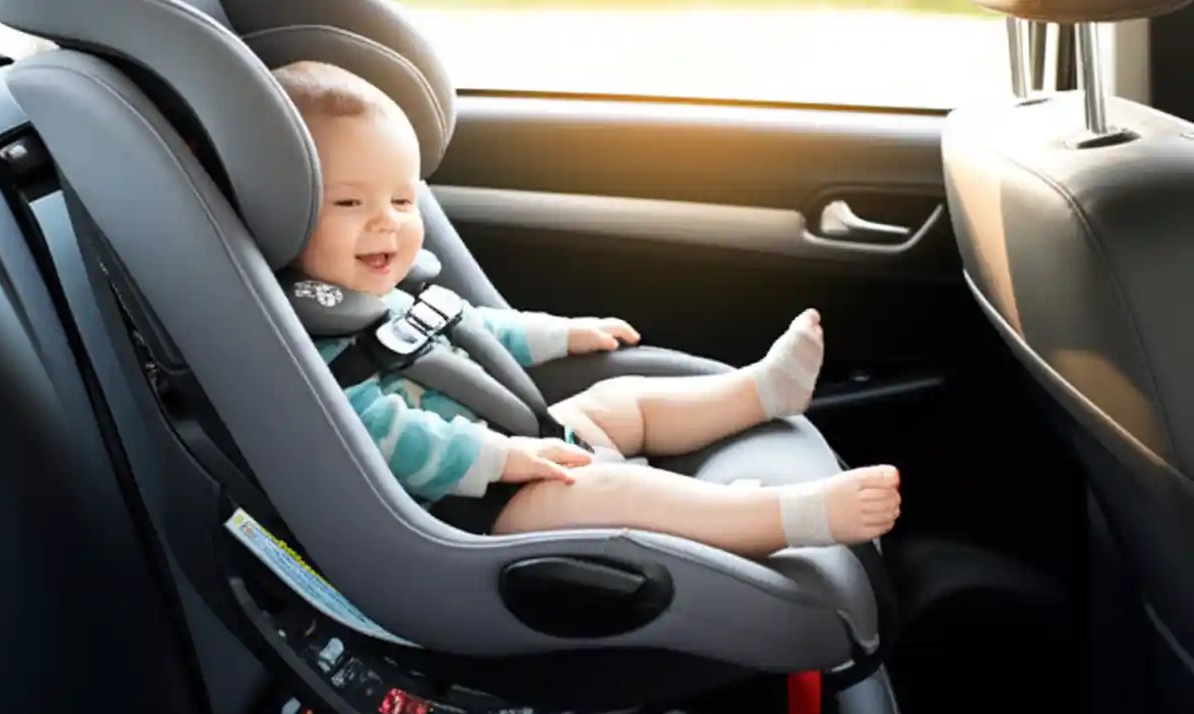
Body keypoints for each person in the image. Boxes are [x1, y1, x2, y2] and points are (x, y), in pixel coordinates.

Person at [273, 60, 900, 557]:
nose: (386, 224)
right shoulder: (312, 349)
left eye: (404, 202)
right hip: (471, 508)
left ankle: (760, 392)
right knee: (612, 487)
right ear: (284, 214)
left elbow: (476, 332)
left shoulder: (383, 300)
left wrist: (563, 334)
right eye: (350, 205)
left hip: (525, 444)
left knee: (624, 400)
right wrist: (504, 459)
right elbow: (383, 439)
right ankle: (784, 516)